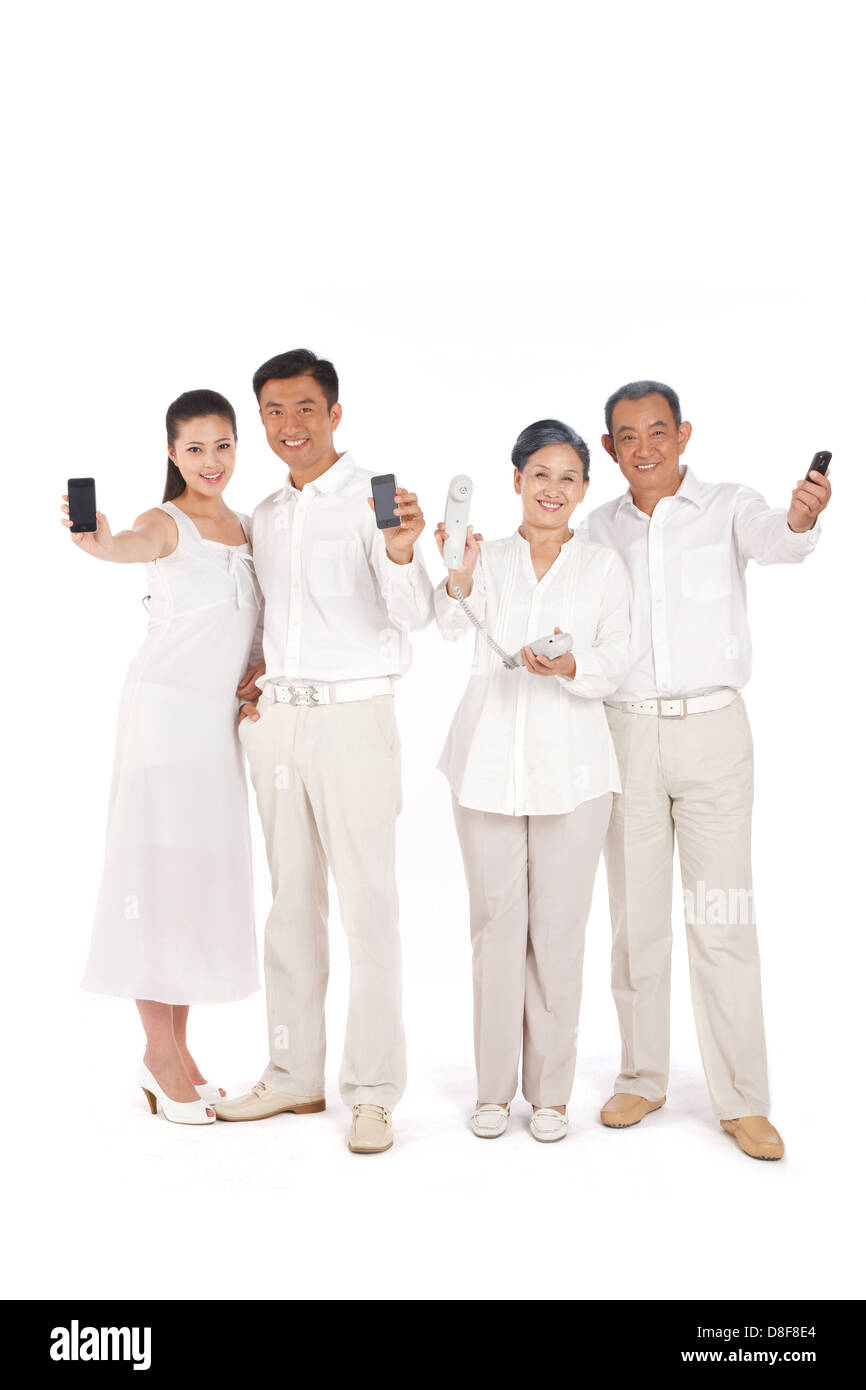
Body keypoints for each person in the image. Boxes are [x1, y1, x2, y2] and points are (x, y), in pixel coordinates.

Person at [581, 379, 831, 1160]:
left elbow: (778, 538)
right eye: (628, 436)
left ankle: (743, 1099)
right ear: (608, 447)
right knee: (635, 921)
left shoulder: (729, 505)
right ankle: (642, 1076)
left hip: (715, 736)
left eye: (659, 431)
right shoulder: (597, 528)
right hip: (624, 734)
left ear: (684, 434)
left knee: (722, 916)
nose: (645, 447)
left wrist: (801, 517)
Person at [214, 348, 433, 1154]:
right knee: (289, 907)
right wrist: (252, 685)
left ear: (334, 413)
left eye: (304, 408)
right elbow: (265, 615)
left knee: (369, 908)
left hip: (354, 722)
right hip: (278, 725)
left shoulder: (379, 497)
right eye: (273, 411)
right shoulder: (265, 514)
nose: (289, 425)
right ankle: (293, 1073)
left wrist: (406, 548)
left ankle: (373, 1091)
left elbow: (412, 614)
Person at [64, 389, 263, 1126]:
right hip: (162, 723)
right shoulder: (163, 522)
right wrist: (101, 544)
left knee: (195, 883)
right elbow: (130, 548)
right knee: (160, 878)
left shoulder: (245, 526)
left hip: (215, 734)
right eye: (194, 448)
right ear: (172, 454)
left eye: (222, 445)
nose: (210, 462)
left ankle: (177, 1052)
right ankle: (157, 1054)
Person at [433, 420, 630, 1142]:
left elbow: (616, 659)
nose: (554, 488)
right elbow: (452, 628)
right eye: (540, 474)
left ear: (584, 489)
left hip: (575, 774)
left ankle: (549, 1095)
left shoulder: (604, 568)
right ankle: (492, 1091)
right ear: (517, 481)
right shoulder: (488, 557)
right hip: (485, 765)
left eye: (569, 477)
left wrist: (572, 666)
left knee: (558, 934)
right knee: (495, 931)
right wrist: (456, 575)